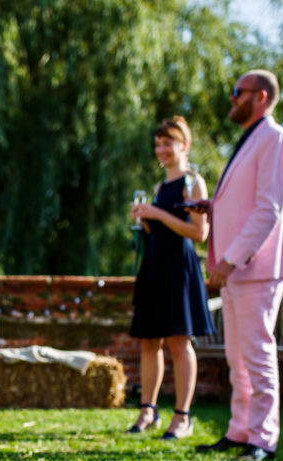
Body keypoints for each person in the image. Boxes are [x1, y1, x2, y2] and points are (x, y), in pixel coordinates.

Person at [192, 70, 283, 461]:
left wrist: (229, 259)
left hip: (257, 266)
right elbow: (245, 203)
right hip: (236, 268)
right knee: (236, 356)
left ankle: (263, 439)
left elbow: (269, 208)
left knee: (257, 352)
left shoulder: (275, 138)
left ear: (260, 97)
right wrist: (212, 208)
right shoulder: (251, 140)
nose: (231, 100)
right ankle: (239, 431)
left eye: (237, 93)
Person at [126, 117, 215, 440]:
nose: (161, 149)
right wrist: (144, 220)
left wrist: (158, 214)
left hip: (180, 266)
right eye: (158, 144)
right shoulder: (160, 187)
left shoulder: (193, 182)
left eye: (168, 143)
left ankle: (182, 416)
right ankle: (147, 410)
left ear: (184, 145)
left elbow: (199, 233)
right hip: (154, 265)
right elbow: (159, 230)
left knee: (179, 341)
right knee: (150, 340)